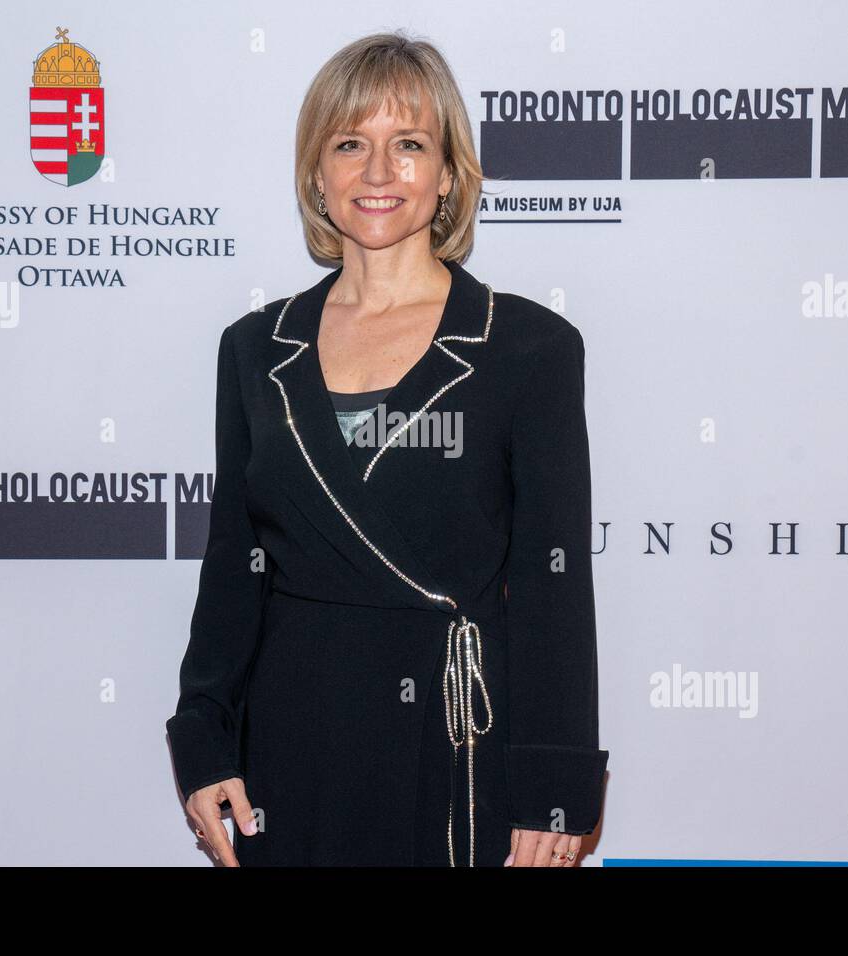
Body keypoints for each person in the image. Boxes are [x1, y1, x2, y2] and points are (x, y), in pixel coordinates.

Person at [165, 30, 608, 867]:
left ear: (446, 174)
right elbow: (233, 564)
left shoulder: (529, 347)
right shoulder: (257, 349)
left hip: (457, 748)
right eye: (350, 145)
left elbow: (555, 584)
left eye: (408, 145)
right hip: (292, 750)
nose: (377, 173)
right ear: (316, 174)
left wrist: (554, 788)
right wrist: (205, 739)